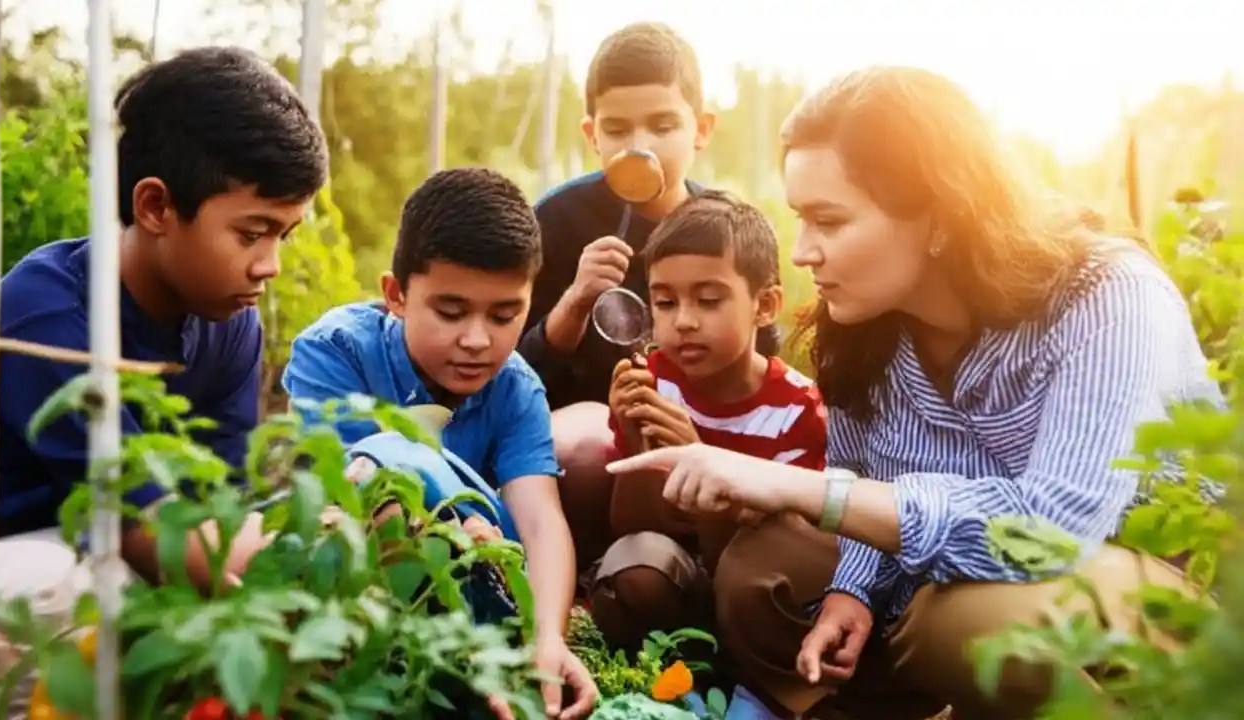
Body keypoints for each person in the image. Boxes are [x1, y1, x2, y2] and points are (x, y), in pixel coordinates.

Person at [606, 66, 1220, 719]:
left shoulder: (1106, 295)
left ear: (938, 217)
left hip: (1157, 583)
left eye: (829, 221)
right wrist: (854, 591)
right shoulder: (862, 331)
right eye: (800, 220)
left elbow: (1055, 530)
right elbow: (874, 481)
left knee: (960, 621)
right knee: (764, 572)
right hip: (977, 575)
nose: (805, 251)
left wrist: (797, 487)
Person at [0, 47, 328, 588]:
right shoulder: (43, 320)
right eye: (251, 234)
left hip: (117, 543)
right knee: (90, 582)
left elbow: (222, 504)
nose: (269, 266)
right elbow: (154, 538)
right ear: (155, 207)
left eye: (284, 235)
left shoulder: (230, 322)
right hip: (1, 560)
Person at [281, 167, 598, 720]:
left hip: (472, 573)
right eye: (450, 313)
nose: (477, 340)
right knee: (390, 462)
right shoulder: (336, 353)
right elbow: (349, 504)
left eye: (505, 316)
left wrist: (550, 635)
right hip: (361, 578)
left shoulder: (516, 386)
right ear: (396, 295)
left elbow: (541, 520)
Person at [519, 22, 780, 569]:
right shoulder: (559, 220)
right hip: (590, 431)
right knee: (589, 449)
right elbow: (515, 372)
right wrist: (577, 300)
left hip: (708, 429)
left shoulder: (726, 229)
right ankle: (588, 570)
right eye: (618, 130)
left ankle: (705, 573)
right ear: (593, 135)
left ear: (701, 129)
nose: (640, 146)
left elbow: (765, 362)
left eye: (663, 125)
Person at [590, 191, 828, 652]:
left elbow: (774, 563)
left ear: (764, 305)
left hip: (756, 591)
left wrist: (704, 469)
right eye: (664, 302)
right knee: (634, 568)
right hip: (678, 575)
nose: (683, 322)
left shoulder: (796, 411)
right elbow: (629, 525)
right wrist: (640, 441)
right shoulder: (655, 379)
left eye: (708, 300)